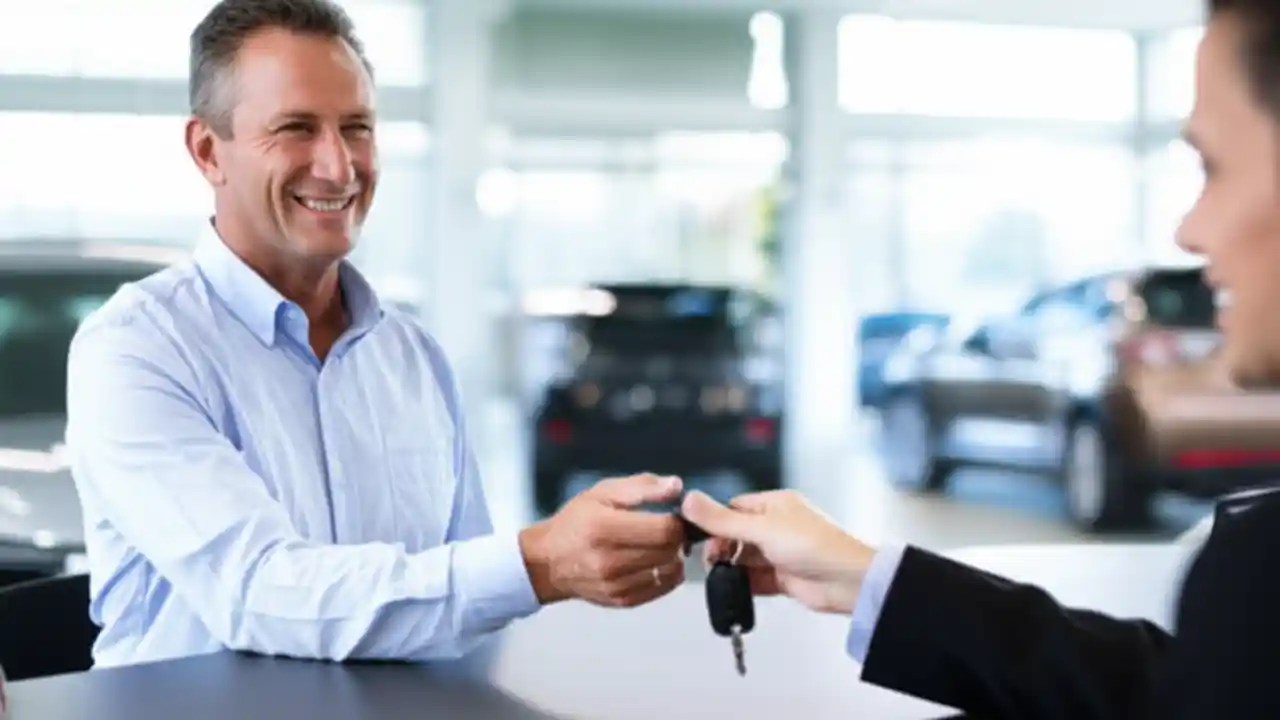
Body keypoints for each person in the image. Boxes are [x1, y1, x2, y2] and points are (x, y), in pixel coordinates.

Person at [681, 0, 1280, 717]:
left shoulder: (1256, 575)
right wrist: (865, 577)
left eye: (1213, 165)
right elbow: (1165, 694)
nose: (1187, 230)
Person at [64, 0, 685, 669]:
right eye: (296, 128)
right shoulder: (135, 350)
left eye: (356, 127)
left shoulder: (412, 358)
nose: (338, 166)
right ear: (208, 150)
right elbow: (258, 591)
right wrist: (539, 562)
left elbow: (460, 615)